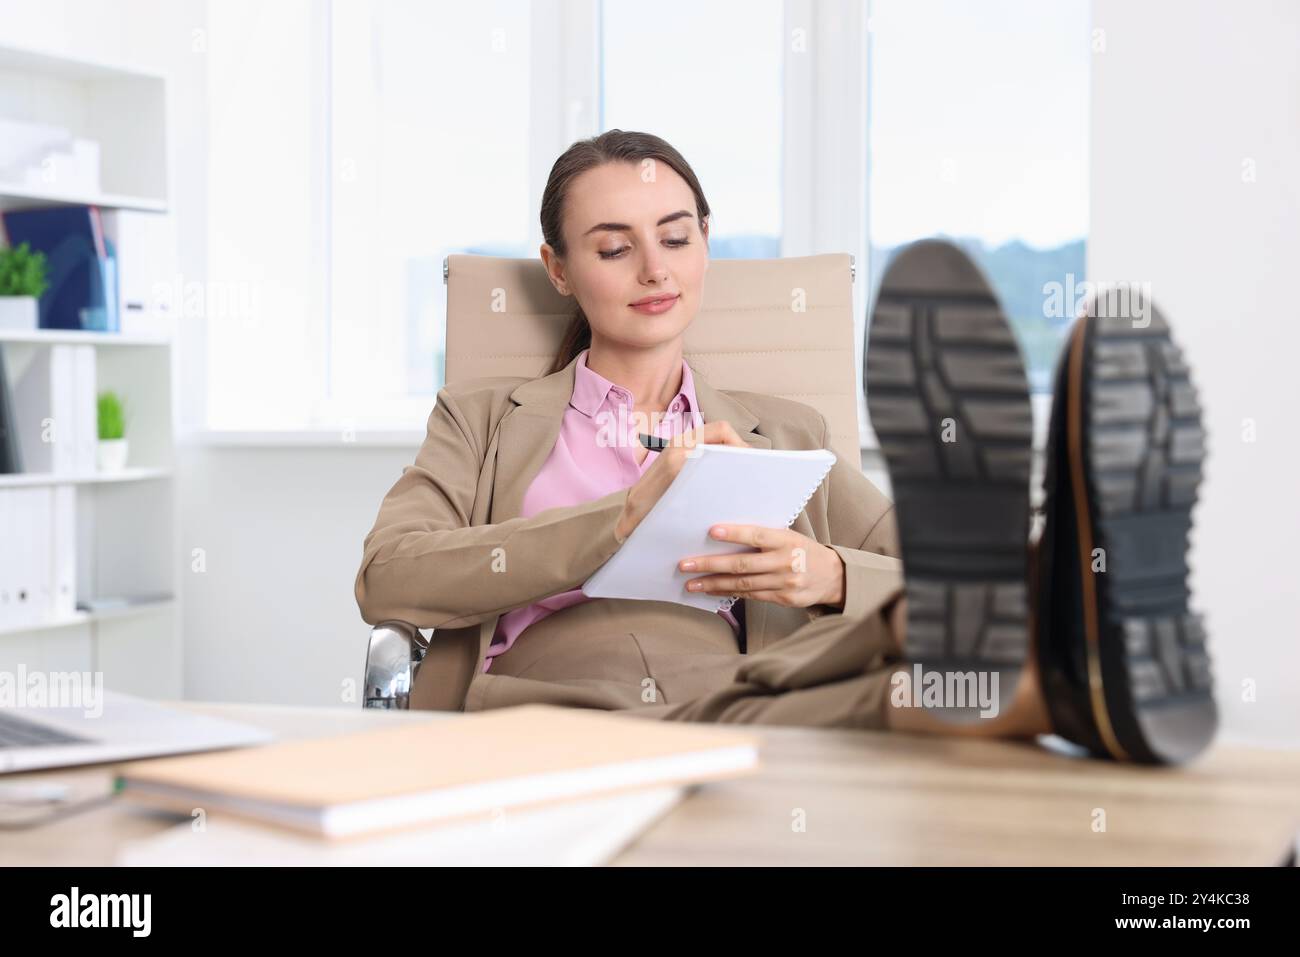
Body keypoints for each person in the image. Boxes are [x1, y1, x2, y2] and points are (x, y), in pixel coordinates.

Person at [355, 130, 1217, 765]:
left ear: (705, 242)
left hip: (746, 691)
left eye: (677, 235)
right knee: (872, 690)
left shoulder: (781, 432)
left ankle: (1062, 640)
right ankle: (1064, 651)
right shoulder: (482, 419)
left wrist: (828, 574)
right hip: (549, 708)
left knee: (913, 621)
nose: (655, 268)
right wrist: (614, 525)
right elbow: (388, 575)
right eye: (615, 247)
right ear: (559, 268)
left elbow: (917, 560)